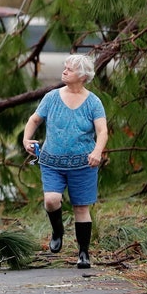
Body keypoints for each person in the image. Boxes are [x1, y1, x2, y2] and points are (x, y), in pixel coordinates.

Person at [21, 54, 108, 269]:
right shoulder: (51, 98)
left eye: (70, 69)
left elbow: (102, 131)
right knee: (51, 200)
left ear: (83, 76)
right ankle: (58, 230)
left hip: (83, 164)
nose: (65, 71)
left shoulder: (93, 102)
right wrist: (26, 139)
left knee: (81, 209)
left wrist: (97, 151)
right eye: (65, 67)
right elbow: (34, 119)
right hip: (52, 162)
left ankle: (83, 253)